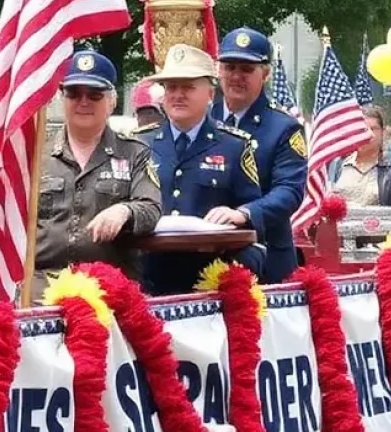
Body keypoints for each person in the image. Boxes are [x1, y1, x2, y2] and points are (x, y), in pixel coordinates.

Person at [140, 42, 266, 295]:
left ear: (210, 94)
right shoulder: (140, 144)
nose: (178, 95)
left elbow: (253, 225)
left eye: (188, 87)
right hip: (148, 278)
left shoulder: (234, 146)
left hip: (210, 282)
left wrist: (236, 214)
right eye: (171, 87)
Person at [34, 49, 161, 291]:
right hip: (43, 286)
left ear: (112, 101)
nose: (83, 102)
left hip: (110, 288)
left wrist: (125, 210)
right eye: (73, 93)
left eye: (94, 95)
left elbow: (151, 208)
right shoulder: (36, 156)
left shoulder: (135, 153)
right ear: (62, 98)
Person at [209, 27, 308, 284]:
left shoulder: (284, 127)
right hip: (202, 255)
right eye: (230, 67)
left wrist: (246, 213)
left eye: (247, 69)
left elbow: (289, 191)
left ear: (265, 73)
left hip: (265, 259)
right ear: (218, 70)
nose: (236, 76)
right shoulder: (202, 119)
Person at [328, 105, 391, 206]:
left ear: (383, 132)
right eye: (362, 130)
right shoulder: (339, 164)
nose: (368, 134)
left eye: (373, 129)